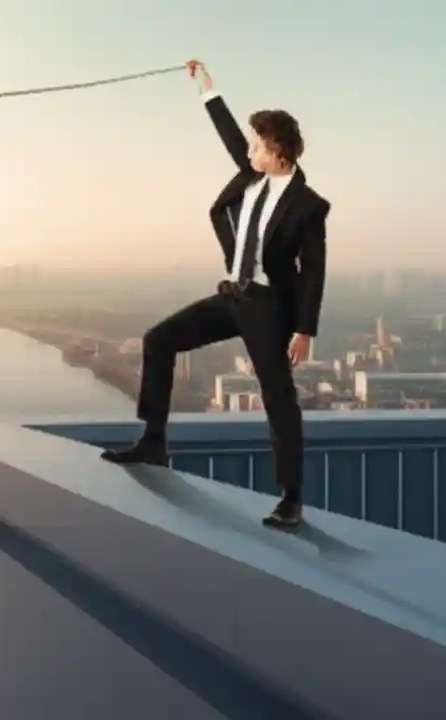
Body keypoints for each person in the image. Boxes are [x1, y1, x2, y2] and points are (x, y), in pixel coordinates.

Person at [100, 59, 331, 529]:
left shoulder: (308, 206)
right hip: (233, 296)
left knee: (277, 397)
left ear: (279, 153)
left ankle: (291, 497)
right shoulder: (251, 176)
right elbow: (230, 136)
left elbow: (315, 271)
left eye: (257, 147)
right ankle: (154, 442)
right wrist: (208, 90)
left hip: (269, 308)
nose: (248, 151)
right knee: (158, 340)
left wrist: (305, 329)